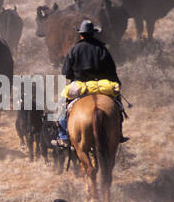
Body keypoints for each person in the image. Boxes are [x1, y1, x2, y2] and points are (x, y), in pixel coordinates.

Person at [53, 19, 127, 148]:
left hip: (79, 86)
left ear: (80, 34)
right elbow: (111, 70)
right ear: (93, 34)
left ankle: (63, 136)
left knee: (60, 108)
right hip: (102, 86)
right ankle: (119, 132)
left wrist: (75, 76)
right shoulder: (102, 49)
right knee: (118, 105)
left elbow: (65, 72)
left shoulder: (74, 50)